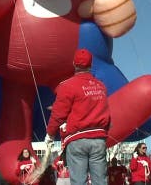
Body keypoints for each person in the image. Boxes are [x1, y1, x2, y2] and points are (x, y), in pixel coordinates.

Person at [44, 49, 111, 185]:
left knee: (78, 181)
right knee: (100, 181)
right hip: (98, 139)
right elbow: (106, 113)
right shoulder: (101, 86)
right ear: (90, 65)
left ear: (74, 64)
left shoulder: (67, 86)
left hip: (77, 139)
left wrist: (50, 134)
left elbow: (58, 114)